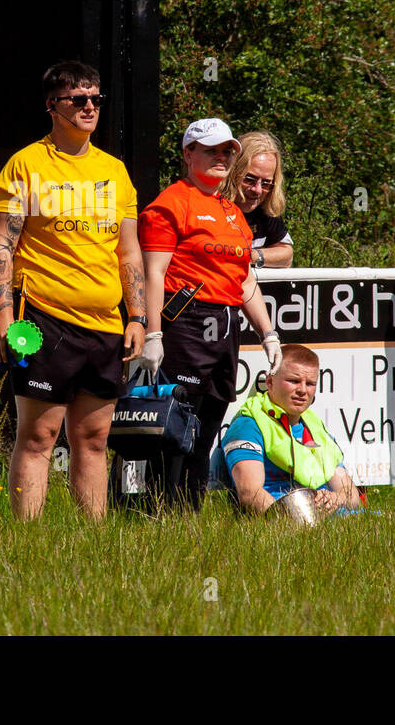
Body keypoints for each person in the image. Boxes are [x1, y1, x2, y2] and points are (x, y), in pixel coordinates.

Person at [0, 60, 146, 521]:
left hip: (105, 324)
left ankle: (91, 539)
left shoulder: (114, 171)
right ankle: (28, 540)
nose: (90, 107)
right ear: (52, 106)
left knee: (93, 440)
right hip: (42, 318)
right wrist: (1, 312)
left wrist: (137, 317)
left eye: (96, 98)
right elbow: (2, 241)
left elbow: (129, 253)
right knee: (38, 438)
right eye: (78, 99)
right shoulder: (26, 164)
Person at [135, 117, 282, 510]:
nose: (220, 158)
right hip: (184, 322)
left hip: (226, 327)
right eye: (211, 150)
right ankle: (156, 514)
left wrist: (268, 333)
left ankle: (188, 516)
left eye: (226, 152)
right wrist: (152, 334)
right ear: (188, 154)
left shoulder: (232, 213)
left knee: (208, 424)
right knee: (175, 424)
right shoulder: (171, 203)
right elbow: (153, 273)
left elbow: (244, 280)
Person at [219, 344, 361, 515]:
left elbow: (352, 496)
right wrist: (298, 521)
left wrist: (333, 498)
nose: (302, 390)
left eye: (310, 384)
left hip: (339, 520)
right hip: (289, 521)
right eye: (293, 381)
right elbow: (250, 493)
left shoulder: (314, 426)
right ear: (270, 382)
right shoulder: (248, 426)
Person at [219, 130, 294, 269]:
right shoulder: (211, 205)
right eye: (249, 179)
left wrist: (252, 256)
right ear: (233, 173)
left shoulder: (265, 208)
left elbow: (286, 255)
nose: (257, 190)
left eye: (266, 183)